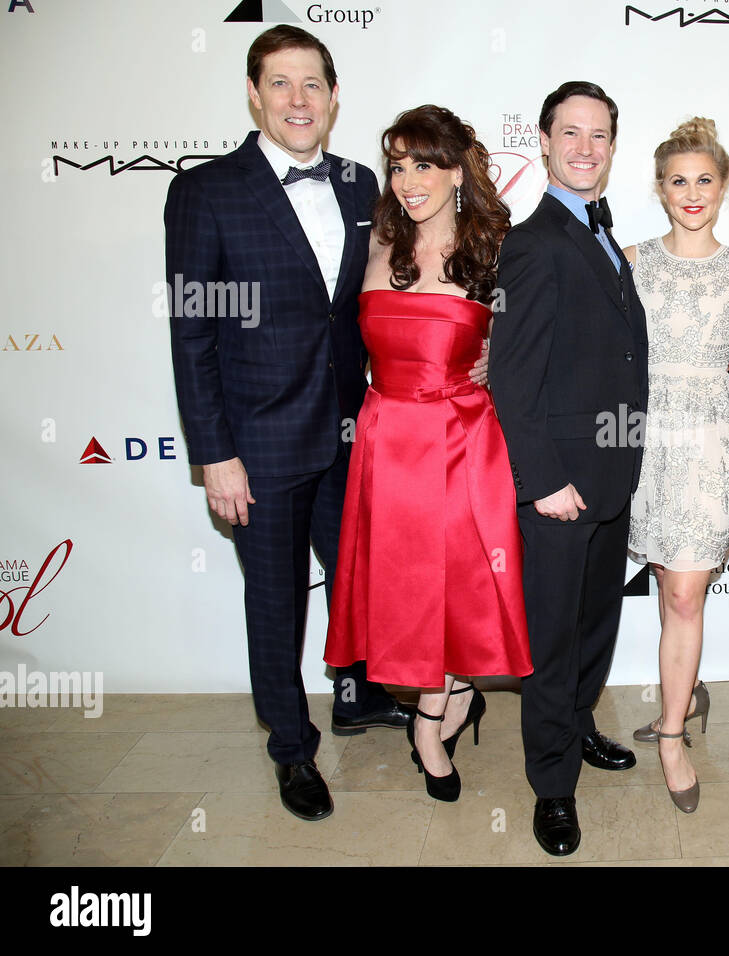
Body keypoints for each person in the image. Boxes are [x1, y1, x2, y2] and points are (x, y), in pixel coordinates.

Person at [165, 26, 419, 822]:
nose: (298, 100)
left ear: (335, 97)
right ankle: (291, 750)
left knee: (358, 584)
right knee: (277, 602)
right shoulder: (207, 191)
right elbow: (192, 335)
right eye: (281, 84)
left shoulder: (358, 184)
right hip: (261, 446)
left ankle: (357, 695)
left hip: (350, 434)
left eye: (313, 84)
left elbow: (367, 308)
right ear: (253, 93)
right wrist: (216, 455)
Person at [323, 105, 532, 804]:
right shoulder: (378, 241)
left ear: (455, 169)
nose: (408, 180)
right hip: (386, 443)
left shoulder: (496, 246)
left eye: (424, 164)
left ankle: (431, 721)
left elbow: (540, 339)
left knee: (463, 589)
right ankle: (443, 703)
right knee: (409, 592)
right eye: (397, 164)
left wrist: (498, 359)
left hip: (464, 440)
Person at [488, 81, 648, 856]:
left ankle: (580, 728)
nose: (586, 147)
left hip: (610, 477)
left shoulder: (601, 232)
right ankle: (552, 787)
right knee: (553, 640)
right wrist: (543, 480)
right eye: (571, 133)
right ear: (545, 141)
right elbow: (513, 378)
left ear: (612, 147)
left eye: (600, 135)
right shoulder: (531, 241)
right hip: (559, 487)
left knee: (593, 626)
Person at [622, 118, 729, 813]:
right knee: (664, 578)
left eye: (704, 179)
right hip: (641, 439)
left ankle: (672, 734)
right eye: (678, 180)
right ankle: (685, 692)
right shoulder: (631, 260)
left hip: (707, 440)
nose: (691, 192)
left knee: (684, 593)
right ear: (658, 187)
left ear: (723, 185)